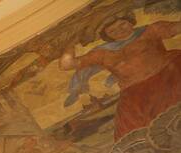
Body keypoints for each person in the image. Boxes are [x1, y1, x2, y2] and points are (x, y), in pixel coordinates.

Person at [60, 13, 181, 141]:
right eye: (112, 30)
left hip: (168, 74)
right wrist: (70, 44)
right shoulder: (102, 52)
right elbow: (67, 65)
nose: (119, 30)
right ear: (106, 35)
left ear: (130, 21)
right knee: (132, 131)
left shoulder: (150, 30)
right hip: (135, 92)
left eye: (122, 24)